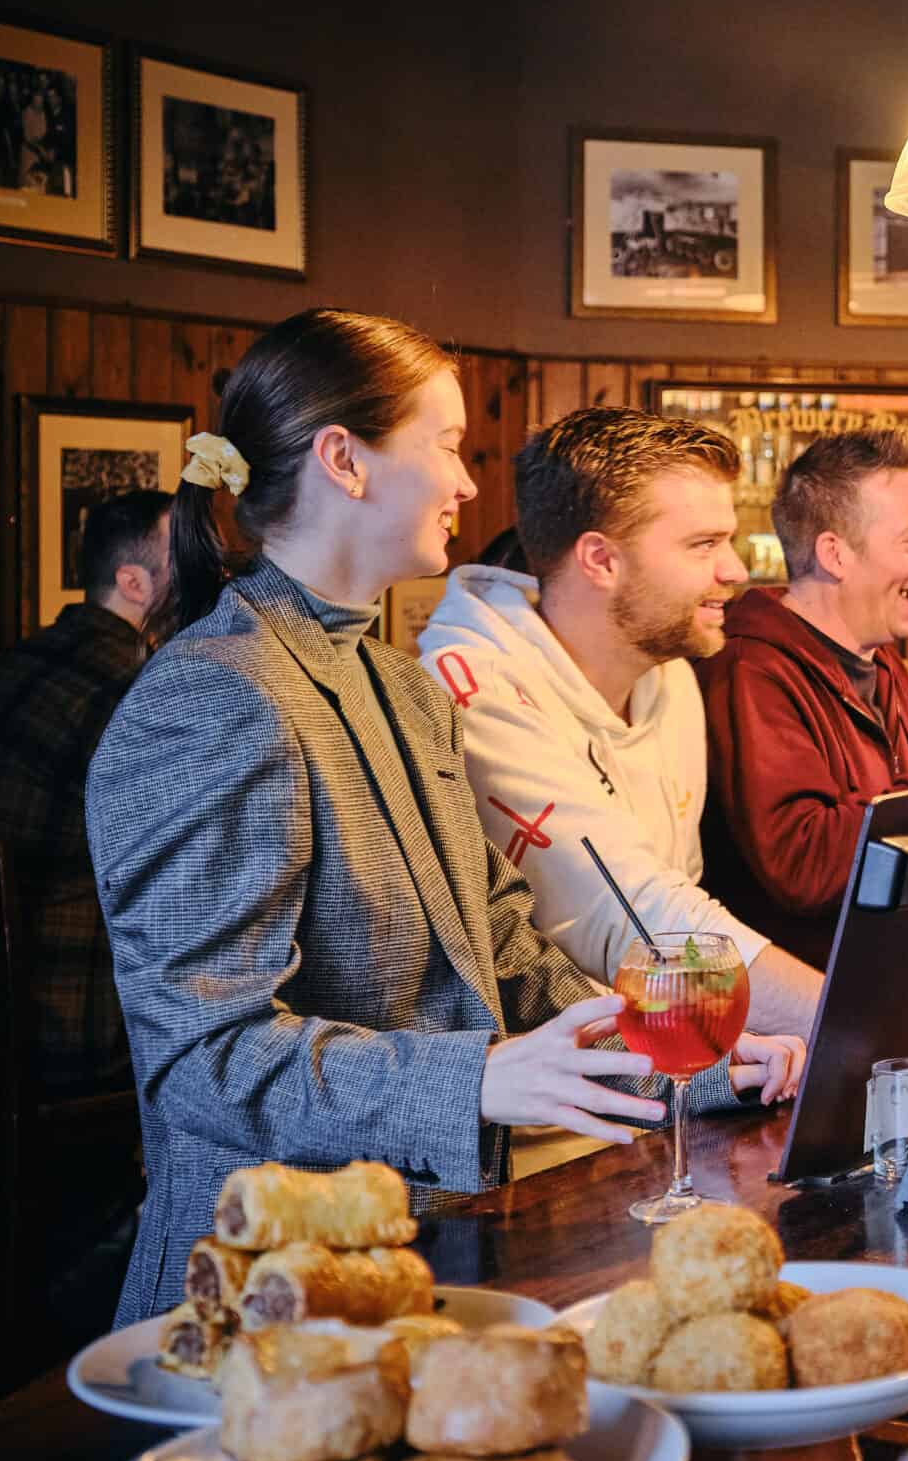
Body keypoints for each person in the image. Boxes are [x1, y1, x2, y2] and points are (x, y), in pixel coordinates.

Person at [88, 309, 666, 1326]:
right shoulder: (213, 697)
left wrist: (684, 1059)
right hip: (260, 1304)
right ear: (344, 461)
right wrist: (478, 1078)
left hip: (422, 1261)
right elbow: (202, 1060)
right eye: (446, 446)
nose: (470, 485)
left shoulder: (402, 689)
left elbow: (501, 951)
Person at [414, 407, 811, 1109]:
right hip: (526, 1126)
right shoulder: (471, 687)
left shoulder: (667, 671)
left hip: (655, 1088)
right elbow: (634, 917)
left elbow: (676, 914)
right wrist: (866, 1025)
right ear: (600, 559)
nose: (735, 568)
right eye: (702, 543)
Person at [0, 488, 172, 1336]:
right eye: (187, 550)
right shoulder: (136, 696)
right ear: (134, 581)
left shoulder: (8, 668)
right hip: (64, 1054)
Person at [700, 428, 908, 968]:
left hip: (903, 996)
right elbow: (803, 867)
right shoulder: (750, 670)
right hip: (803, 1027)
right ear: (835, 554)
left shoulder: (885, 666)